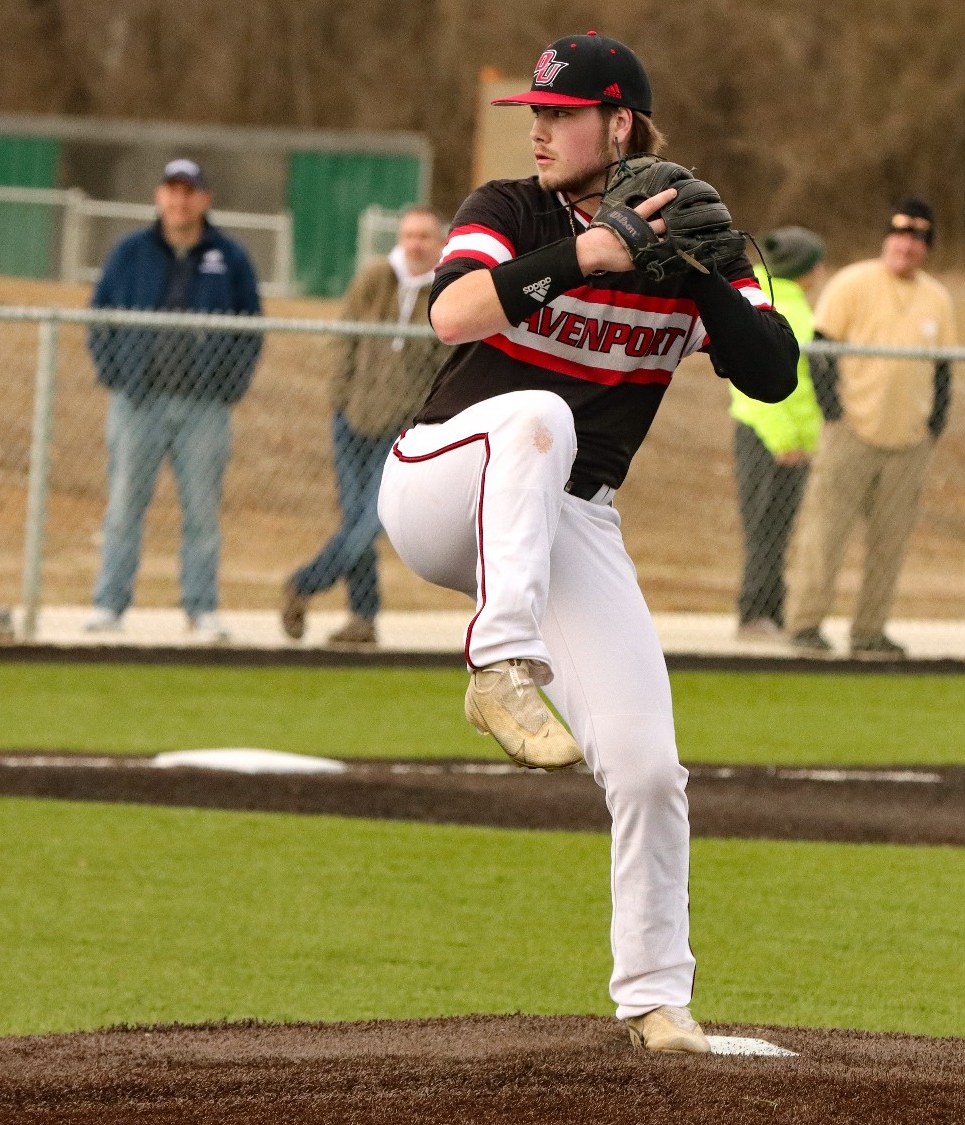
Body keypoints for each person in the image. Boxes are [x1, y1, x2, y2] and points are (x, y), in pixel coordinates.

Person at [374, 32, 796, 1054]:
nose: (537, 125)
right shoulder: (509, 209)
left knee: (648, 766)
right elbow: (452, 314)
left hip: (567, 518)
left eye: (559, 112)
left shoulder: (690, 238)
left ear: (618, 124)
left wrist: (700, 277)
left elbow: (774, 370)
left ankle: (655, 999)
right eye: (534, 110)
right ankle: (498, 667)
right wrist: (586, 255)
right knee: (540, 420)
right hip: (441, 477)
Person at [83, 159, 262, 643]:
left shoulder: (229, 258)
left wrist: (228, 387)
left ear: (204, 199)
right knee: (123, 507)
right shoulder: (129, 254)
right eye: (171, 191)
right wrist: (117, 374)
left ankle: (200, 609)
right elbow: (99, 319)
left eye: (189, 192)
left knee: (202, 512)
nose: (179, 201)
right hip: (138, 403)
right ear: (159, 197)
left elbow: (252, 329)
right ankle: (109, 604)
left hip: (204, 408)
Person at [785, 198, 957, 659]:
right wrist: (834, 412)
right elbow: (821, 353)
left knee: (890, 542)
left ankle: (870, 629)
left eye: (919, 239)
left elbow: (943, 371)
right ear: (887, 238)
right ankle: (805, 622)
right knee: (826, 532)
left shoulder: (937, 298)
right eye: (900, 235)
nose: (908, 245)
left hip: (909, 441)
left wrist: (934, 423)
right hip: (851, 431)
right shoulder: (853, 283)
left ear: (927, 248)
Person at [281, 204, 450, 647]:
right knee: (356, 517)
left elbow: (447, 364)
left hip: (405, 428)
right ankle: (363, 618)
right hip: (353, 417)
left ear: (439, 242)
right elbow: (346, 342)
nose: (416, 244)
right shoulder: (374, 279)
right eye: (409, 234)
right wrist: (339, 398)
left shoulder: (447, 289)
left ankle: (302, 584)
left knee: (374, 518)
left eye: (425, 236)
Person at [731, 226, 826, 640]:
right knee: (764, 527)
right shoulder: (774, 307)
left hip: (791, 441)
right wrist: (784, 439)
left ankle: (773, 609)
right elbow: (752, 387)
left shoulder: (790, 305)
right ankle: (754, 613)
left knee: (777, 529)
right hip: (767, 437)